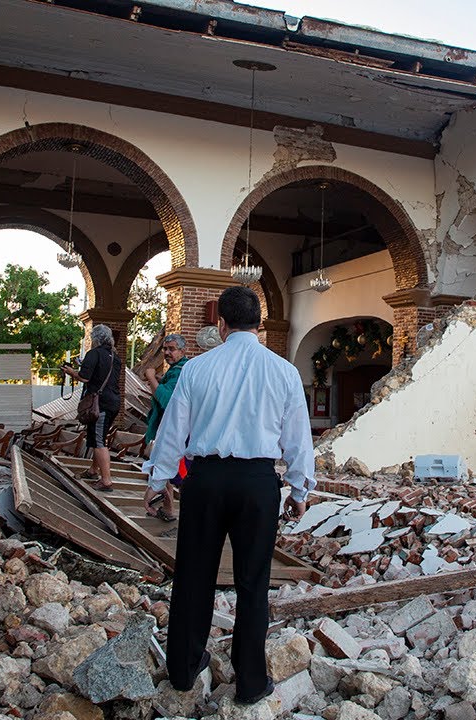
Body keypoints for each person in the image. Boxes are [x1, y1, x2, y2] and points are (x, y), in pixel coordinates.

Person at [146, 286, 313, 704]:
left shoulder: (197, 370)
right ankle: (251, 682)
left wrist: (157, 481)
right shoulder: (283, 371)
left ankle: (183, 669)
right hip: (258, 483)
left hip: (205, 481)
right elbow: (298, 439)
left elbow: (173, 431)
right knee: (253, 583)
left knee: (193, 575)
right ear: (259, 323)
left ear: (220, 323)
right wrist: (299, 489)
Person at [62, 324, 123, 489]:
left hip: (99, 404)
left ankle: (106, 481)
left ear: (95, 339)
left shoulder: (94, 353)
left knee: (98, 441)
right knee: (98, 438)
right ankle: (93, 470)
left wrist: (70, 372)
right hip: (113, 402)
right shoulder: (115, 357)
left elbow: (84, 377)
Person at [143, 334, 188, 444]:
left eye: (171, 349)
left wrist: (151, 377)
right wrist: (161, 381)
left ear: (182, 351)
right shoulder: (177, 368)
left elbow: (166, 400)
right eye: (165, 349)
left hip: (172, 430)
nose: (167, 353)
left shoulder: (179, 370)